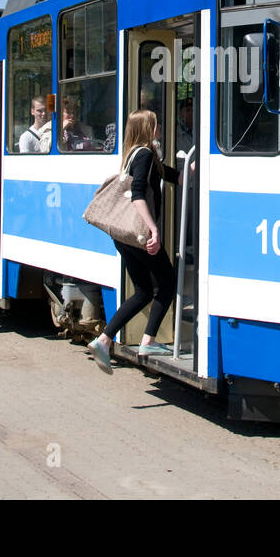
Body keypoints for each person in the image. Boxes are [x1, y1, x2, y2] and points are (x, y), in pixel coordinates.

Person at [87, 109, 180, 373]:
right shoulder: (146, 155)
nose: (159, 126)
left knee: (142, 291)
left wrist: (195, 167)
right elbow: (138, 194)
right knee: (167, 282)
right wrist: (154, 230)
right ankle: (148, 341)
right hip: (138, 235)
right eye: (155, 123)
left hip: (123, 235)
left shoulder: (134, 155)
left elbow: (172, 176)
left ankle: (104, 340)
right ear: (147, 128)